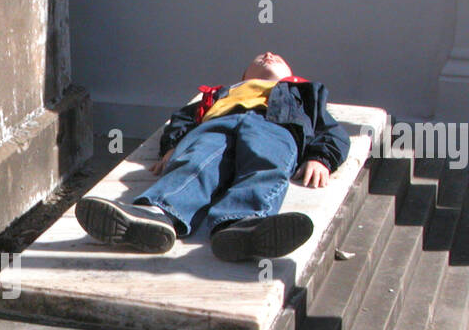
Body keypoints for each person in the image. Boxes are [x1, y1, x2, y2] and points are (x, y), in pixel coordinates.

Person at [75, 52, 351, 262]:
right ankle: (156, 215)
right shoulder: (221, 93)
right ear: (244, 77)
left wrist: (321, 157)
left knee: (266, 164)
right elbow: (182, 119)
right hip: (216, 126)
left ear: (290, 75)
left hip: (274, 127)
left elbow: (332, 131)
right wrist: (173, 145)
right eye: (259, 57)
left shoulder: (303, 93)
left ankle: (242, 224)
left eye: (276, 57)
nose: (268, 54)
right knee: (196, 161)